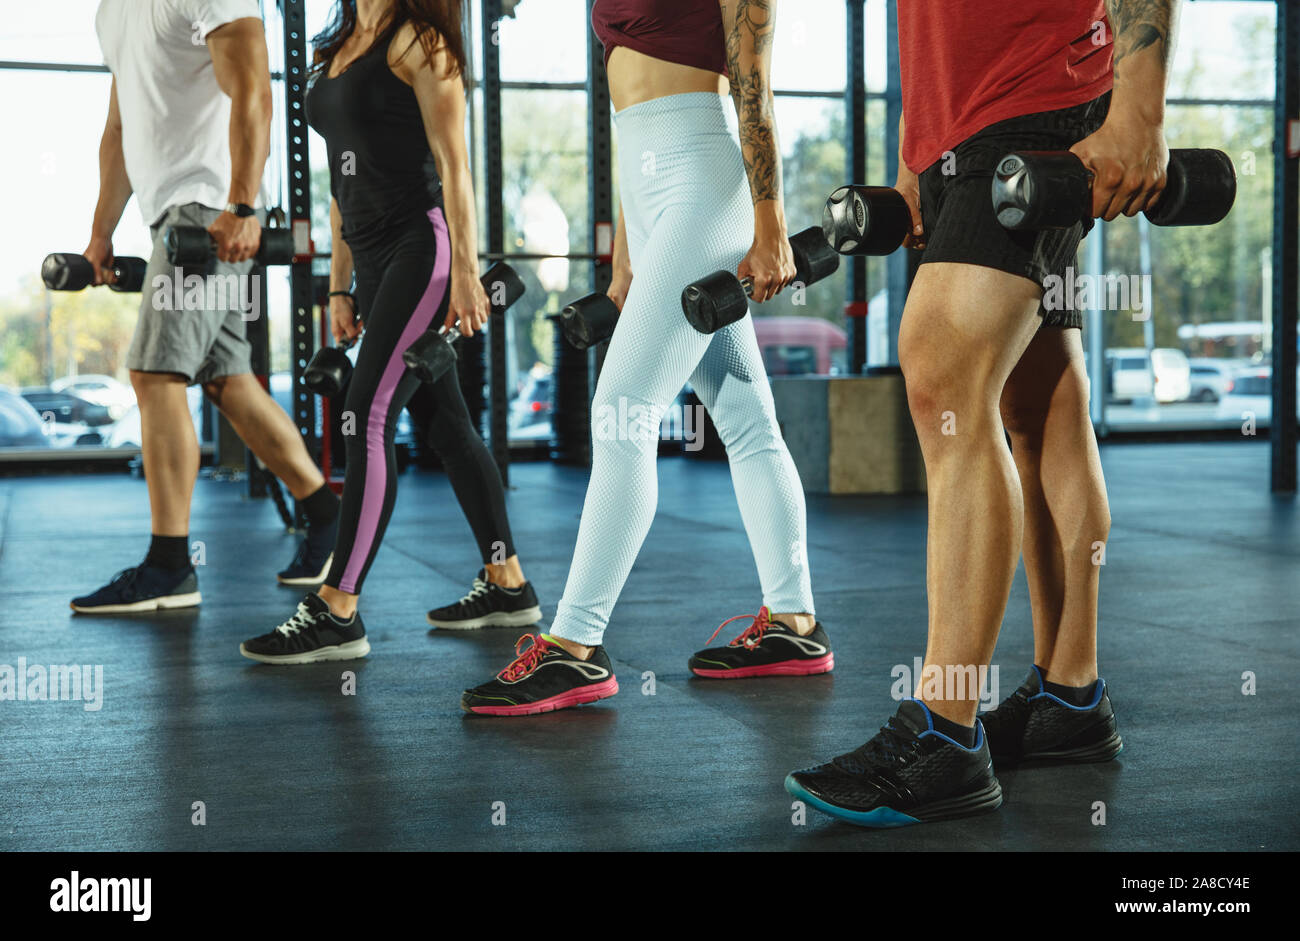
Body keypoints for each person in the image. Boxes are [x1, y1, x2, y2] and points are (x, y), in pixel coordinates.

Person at [786, 0, 1175, 826]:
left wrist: (1139, 105)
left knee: (941, 372)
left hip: (1036, 99)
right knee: (1042, 405)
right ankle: (1071, 694)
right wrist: (917, 151)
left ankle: (945, 732)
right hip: (965, 126)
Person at [461, 0, 830, 717]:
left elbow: (752, 83)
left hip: (706, 183)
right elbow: (622, 110)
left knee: (620, 410)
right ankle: (795, 623)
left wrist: (771, 222)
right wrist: (627, 251)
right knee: (746, 419)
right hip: (653, 185)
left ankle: (577, 646)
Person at [240, 0, 540, 664]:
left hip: (420, 248)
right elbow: (339, 181)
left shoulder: (420, 41)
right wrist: (341, 281)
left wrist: (465, 268)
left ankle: (338, 607)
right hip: (371, 256)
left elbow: (455, 165)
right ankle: (507, 581)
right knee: (444, 420)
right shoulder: (339, 40)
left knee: (365, 413)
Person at [74, 0, 342, 614]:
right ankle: (328, 519)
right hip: (174, 213)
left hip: (209, 214)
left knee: (155, 374)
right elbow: (120, 128)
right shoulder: (112, 12)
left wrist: (243, 205)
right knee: (228, 381)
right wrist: (100, 235)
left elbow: (252, 82)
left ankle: (170, 566)